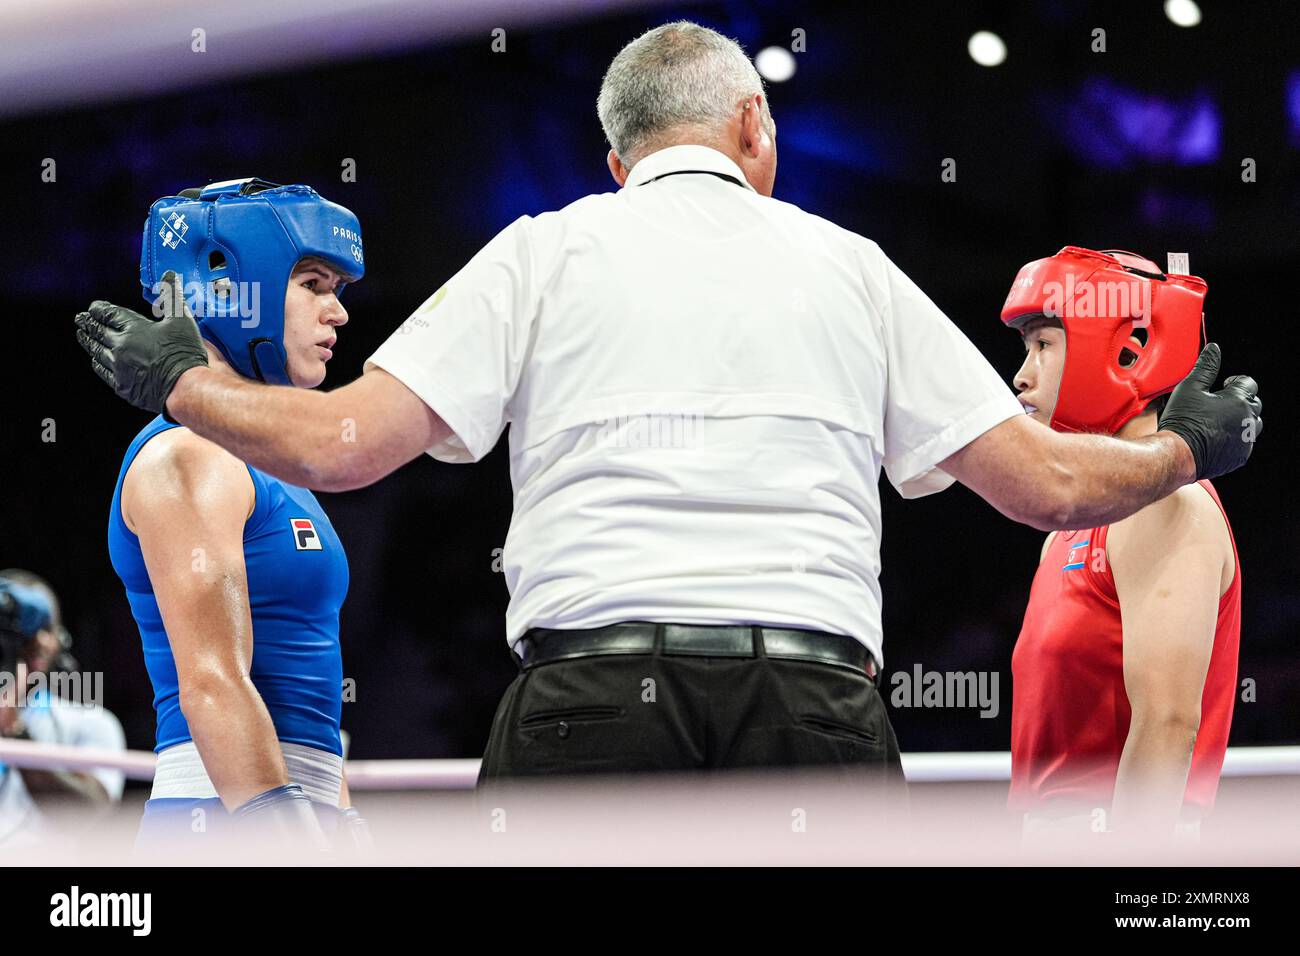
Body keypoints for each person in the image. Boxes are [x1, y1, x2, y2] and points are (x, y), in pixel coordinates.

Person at [74, 23, 1262, 787]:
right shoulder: (847, 262)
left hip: (584, 709)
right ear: (755, 127)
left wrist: (184, 380)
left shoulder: (541, 252)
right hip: (812, 713)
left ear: (616, 162)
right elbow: (1050, 486)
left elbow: (338, 444)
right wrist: (1182, 452)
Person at [102, 179, 368, 854]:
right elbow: (212, 684)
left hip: (284, 811)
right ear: (223, 282)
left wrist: (347, 831)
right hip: (225, 817)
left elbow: (307, 698)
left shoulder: (268, 464)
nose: (337, 314)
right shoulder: (187, 455)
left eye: (338, 289)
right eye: (313, 284)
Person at [1002, 248, 1241, 841]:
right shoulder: (1071, 524)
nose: (1021, 375)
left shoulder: (1170, 505)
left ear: (1127, 350)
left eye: (1044, 345)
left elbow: (1167, 723)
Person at [0, 570, 126, 848]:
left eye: (44, 628)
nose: (36, 641)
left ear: (58, 639)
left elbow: (90, 811)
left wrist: (13, 730)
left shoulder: (90, 722)